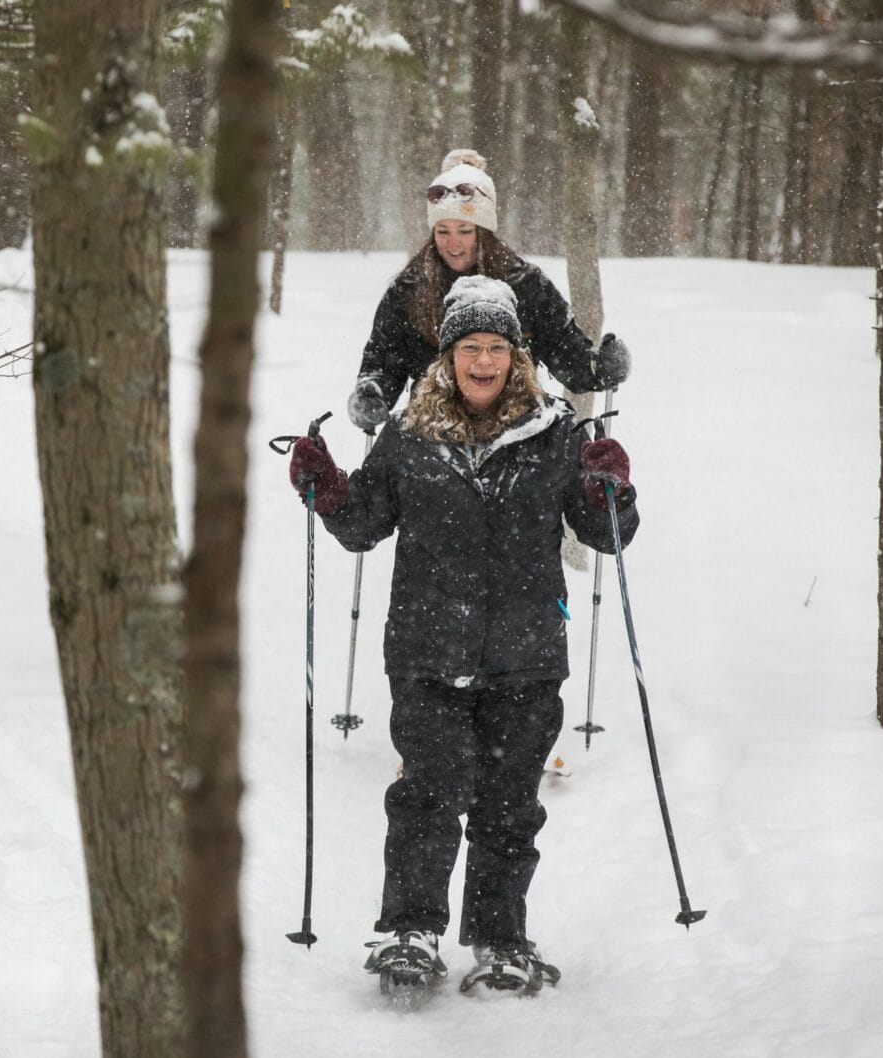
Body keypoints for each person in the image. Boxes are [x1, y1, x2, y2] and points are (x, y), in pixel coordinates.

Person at [287, 274, 639, 996]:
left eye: (497, 348)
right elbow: (362, 527)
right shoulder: (407, 435)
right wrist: (326, 488)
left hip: (526, 657)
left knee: (510, 808)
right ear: (446, 357)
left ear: (517, 356)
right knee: (428, 795)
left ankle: (502, 940)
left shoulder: (555, 435)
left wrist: (614, 490)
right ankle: (411, 934)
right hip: (427, 653)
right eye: (470, 347)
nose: (484, 361)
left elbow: (606, 537)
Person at [347, 148, 630, 435]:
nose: (453, 243)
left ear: (483, 232)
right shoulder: (408, 290)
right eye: (442, 231)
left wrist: (595, 368)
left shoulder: (524, 283)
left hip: (515, 429)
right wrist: (372, 393)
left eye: (465, 231)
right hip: (434, 431)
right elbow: (383, 359)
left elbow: (563, 348)